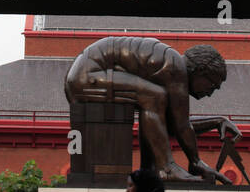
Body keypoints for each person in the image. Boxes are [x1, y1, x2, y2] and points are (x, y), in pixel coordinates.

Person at [64, 34, 227, 182]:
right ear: (200, 71)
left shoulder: (171, 63)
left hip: (85, 76)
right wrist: (196, 161)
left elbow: (168, 126)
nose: (210, 93)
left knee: (153, 99)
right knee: (153, 97)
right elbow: (181, 126)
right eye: (212, 85)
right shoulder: (176, 68)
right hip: (86, 78)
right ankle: (166, 168)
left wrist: (217, 122)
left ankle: (149, 170)